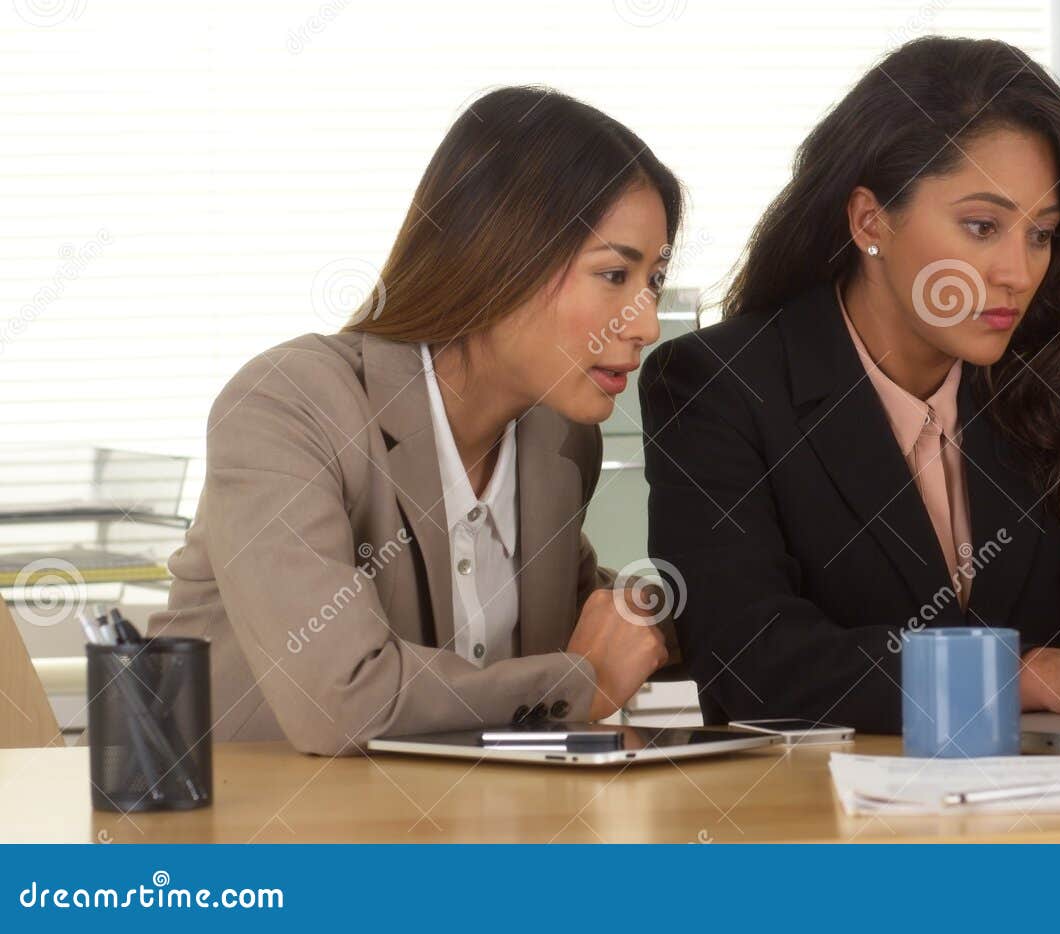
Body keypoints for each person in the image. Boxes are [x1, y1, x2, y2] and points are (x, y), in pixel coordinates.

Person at [641, 37, 1060, 733]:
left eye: (1041, 235)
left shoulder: (1037, 380)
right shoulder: (718, 385)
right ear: (870, 221)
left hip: (1052, 819)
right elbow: (752, 658)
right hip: (820, 825)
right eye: (982, 226)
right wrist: (1026, 675)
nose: (1019, 274)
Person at [151, 87, 674, 754]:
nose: (648, 324)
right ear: (499, 258)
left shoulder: (561, 440)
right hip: (258, 842)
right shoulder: (286, 405)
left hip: (468, 835)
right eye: (613, 275)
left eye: (653, 281)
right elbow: (344, 704)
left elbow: (598, 622)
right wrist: (581, 684)